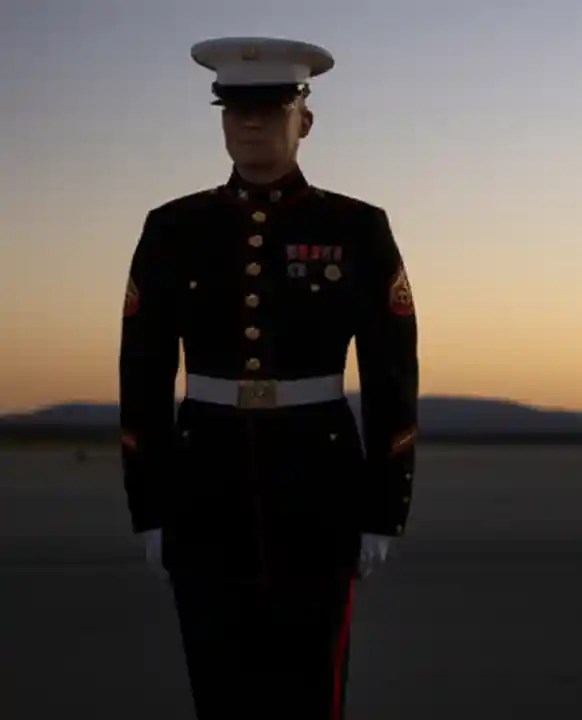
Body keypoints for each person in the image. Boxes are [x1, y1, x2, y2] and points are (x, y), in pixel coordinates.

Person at [117, 36, 419, 719]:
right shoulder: (172, 228)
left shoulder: (357, 228)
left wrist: (384, 505)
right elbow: (143, 370)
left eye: (270, 107)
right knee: (218, 683)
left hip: (320, 482)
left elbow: (392, 370)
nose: (250, 122)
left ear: (304, 120)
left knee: (312, 687)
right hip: (203, 485)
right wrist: (150, 501)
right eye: (235, 109)